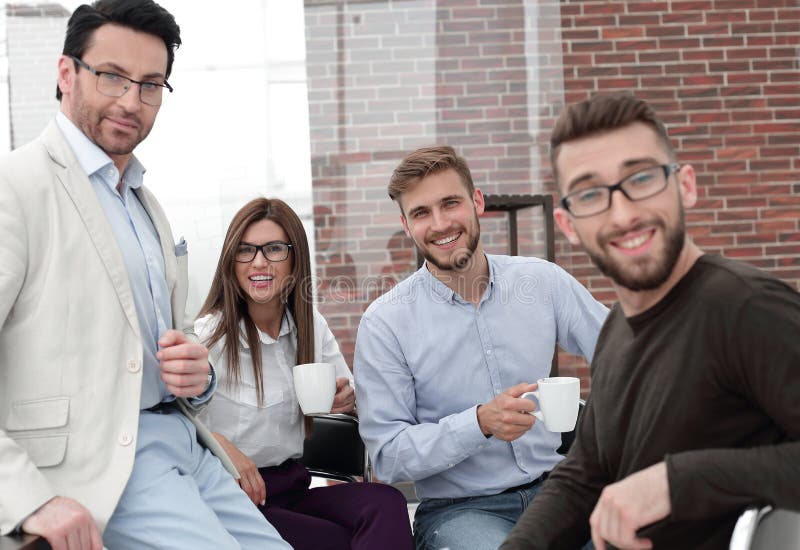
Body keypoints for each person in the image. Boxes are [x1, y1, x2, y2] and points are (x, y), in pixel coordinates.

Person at [0, 1, 290, 548]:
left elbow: (163, 352)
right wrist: (27, 500)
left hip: (186, 444)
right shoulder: (15, 188)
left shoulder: (144, 203)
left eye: (151, 84)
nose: (132, 101)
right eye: (112, 77)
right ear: (66, 74)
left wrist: (197, 377)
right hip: (102, 464)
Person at [500, 94, 800, 550]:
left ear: (685, 186)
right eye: (591, 194)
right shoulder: (616, 329)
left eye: (640, 178)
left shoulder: (745, 308)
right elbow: (586, 474)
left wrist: (676, 482)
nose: (623, 214)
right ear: (568, 224)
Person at [353, 145, 609, 550]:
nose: (439, 224)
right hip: (461, 511)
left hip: (561, 492)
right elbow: (388, 456)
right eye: (421, 213)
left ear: (476, 202)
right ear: (406, 225)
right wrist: (479, 423)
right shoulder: (385, 323)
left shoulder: (542, 283)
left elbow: (624, 351)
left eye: (450, 203)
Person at [195, 197, 414, 550]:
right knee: (336, 541)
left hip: (291, 487)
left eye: (274, 249)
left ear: (295, 258)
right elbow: (177, 420)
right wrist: (222, 446)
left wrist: (348, 396)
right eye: (246, 250)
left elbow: (349, 389)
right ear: (231, 262)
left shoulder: (308, 326)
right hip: (235, 498)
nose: (259, 262)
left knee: (386, 503)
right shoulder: (210, 336)